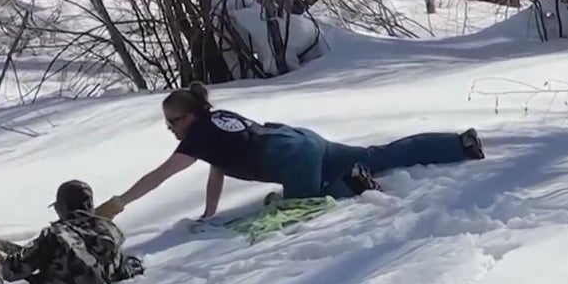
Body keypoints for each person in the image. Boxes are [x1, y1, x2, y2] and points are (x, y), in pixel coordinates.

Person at [95, 82, 485, 221]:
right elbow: (219, 166)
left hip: (289, 157)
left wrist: (117, 204)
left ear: (190, 116)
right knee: (377, 154)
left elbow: (159, 176)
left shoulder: (196, 136)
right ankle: (460, 144)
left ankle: (350, 185)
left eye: (174, 121)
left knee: (302, 203)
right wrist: (210, 212)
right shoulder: (219, 118)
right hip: (300, 139)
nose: (171, 129)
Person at [0, 180, 144, 284]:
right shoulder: (111, 233)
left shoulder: (55, 235)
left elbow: (9, 271)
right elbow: (127, 268)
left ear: (62, 207)